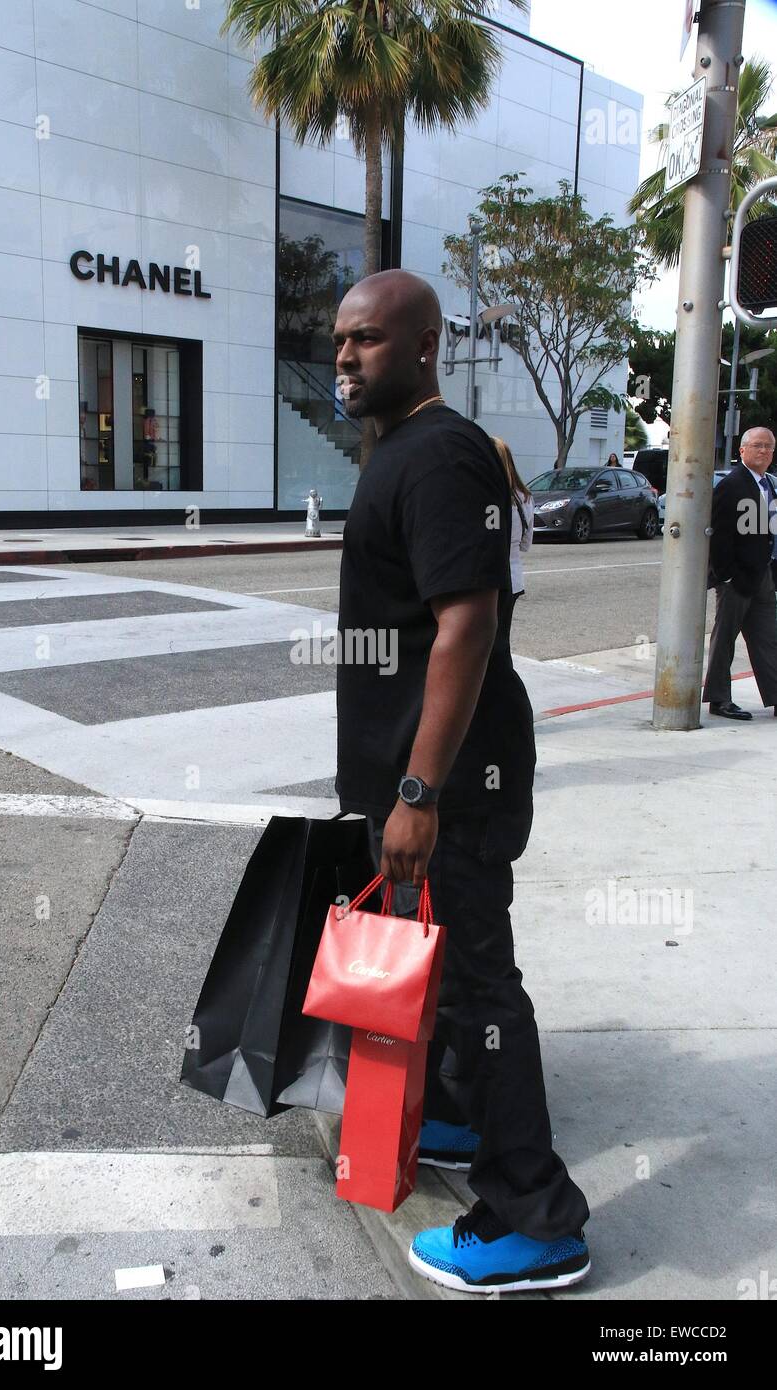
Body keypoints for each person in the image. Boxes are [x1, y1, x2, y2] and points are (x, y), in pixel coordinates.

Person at [333, 269, 590, 1295]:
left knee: (482, 985)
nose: (345, 355)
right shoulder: (405, 448)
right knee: (437, 964)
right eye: (340, 339)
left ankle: (535, 1216)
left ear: (425, 345)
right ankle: (450, 1111)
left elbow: (466, 624)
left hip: (451, 785)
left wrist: (417, 794)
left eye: (368, 340)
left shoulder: (437, 454)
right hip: (421, 774)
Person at [703, 426, 777, 720]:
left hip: (762, 578)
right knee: (725, 639)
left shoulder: (767, 483)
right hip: (736, 579)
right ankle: (719, 699)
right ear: (742, 450)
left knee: (769, 639)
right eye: (757, 445)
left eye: (768, 447)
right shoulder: (732, 485)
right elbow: (719, 536)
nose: (763, 451)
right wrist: (727, 575)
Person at [491, 436, 534, 609]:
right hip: (515, 578)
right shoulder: (526, 497)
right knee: (503, 634)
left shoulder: (488, 496)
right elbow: (525, 544)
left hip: (490, 580)